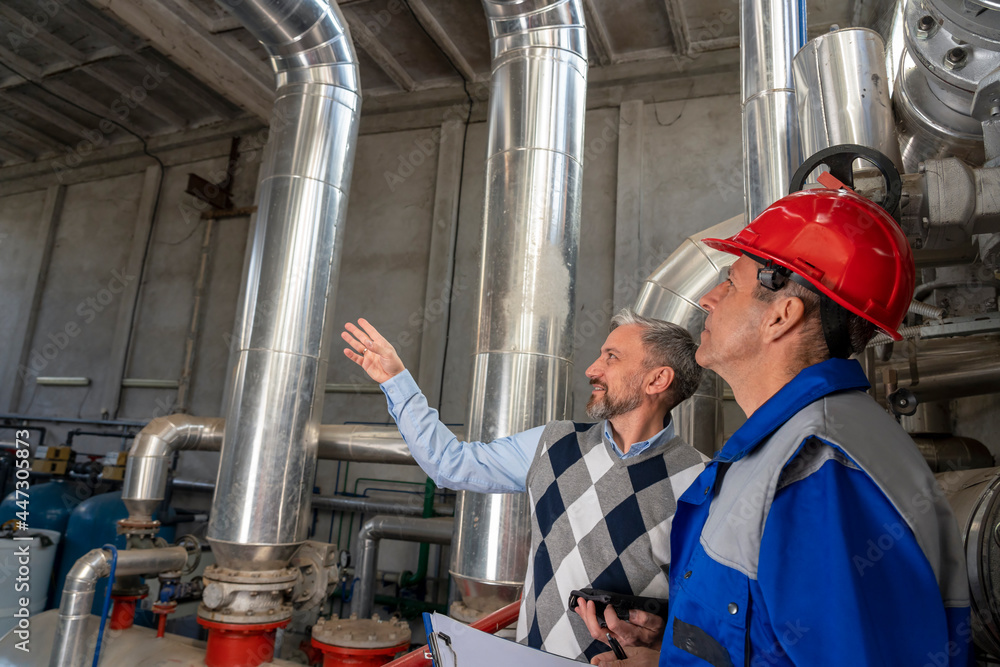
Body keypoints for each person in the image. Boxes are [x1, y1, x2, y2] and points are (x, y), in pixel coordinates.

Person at [585, 188, 971, 666]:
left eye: (731, 283)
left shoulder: (820, 469)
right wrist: (673, 654)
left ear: (781, 317)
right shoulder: (779, 449)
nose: (707, 298)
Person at [342, 308, 708, 661]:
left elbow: (708, 609)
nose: (592, 369)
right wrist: (396, 381)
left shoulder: (700, 480)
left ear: (657, 380)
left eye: (611, 357)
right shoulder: (554, 444)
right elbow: (449, 463)